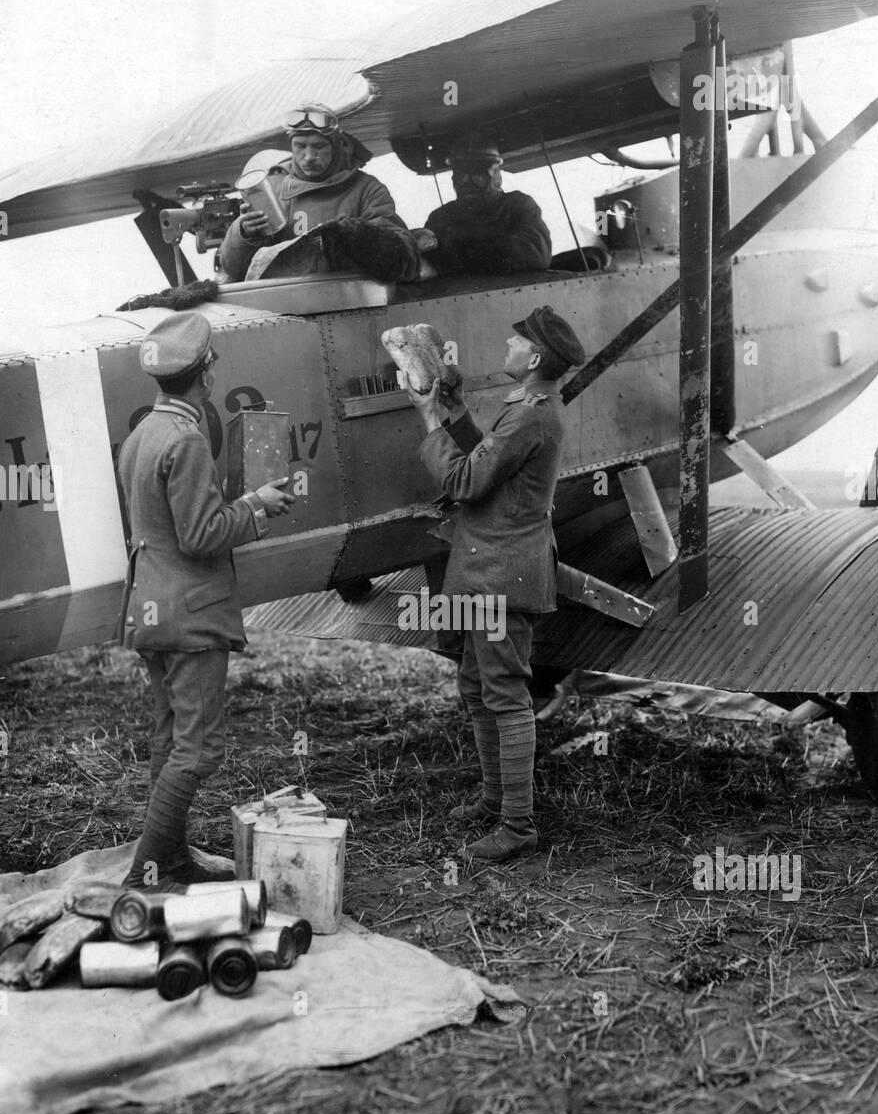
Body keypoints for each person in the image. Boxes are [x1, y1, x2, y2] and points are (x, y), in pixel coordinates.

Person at [115, 311, 294, 888]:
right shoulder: (187, 438)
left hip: (151, 609)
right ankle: (145, 873)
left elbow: (163, 529)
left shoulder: (143, 432)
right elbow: (200, 536)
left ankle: (169, 858)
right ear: (207, 372)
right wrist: (258, 505)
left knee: (170, 740)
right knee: (199, 750)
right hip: (191, 615)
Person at [402, 305, 585, 862]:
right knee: (477, 688)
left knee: (505, 697)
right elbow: (489, 457)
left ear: (533, 359)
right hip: (490, 568)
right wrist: (455, 413)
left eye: (514, 342)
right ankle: (492, 800)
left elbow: (464, 480)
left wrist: (429, 418)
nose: (505, 347)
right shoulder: (529, 410)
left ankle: (517, 824)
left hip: (501, 573)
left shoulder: (530, 415)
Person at [219, 104, 420, 284]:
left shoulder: (367, 189)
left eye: (318, 146)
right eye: (300, 146)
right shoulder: (274, 191)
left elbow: (406, 261)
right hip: (286, 302)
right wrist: (244, 234)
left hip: (350, 299)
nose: (308, 157)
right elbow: (236, 270)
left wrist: (359, 237)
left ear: (336, 146)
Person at [424, 135, 552, 277]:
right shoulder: (441, 217)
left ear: (497, 176)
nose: (467, 183)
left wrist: (460, 249)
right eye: (461, 176)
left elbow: (535, 254)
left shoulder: (518, 205)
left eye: (477, 175)